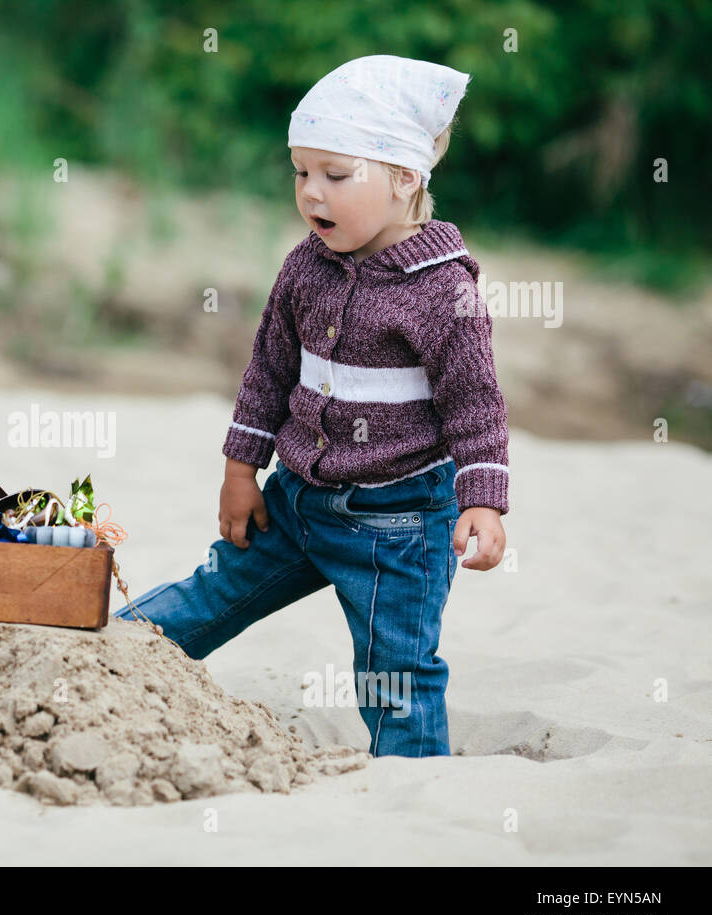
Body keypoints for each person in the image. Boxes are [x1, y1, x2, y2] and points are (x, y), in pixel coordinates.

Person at [113, 55, 509, 759]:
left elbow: (475, 405)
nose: (311, 192)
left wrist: (482, 500)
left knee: (395, 670)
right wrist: (241, 470)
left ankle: (413, 781)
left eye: (335, 174)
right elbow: (268, 373)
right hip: (295, 504)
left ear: (404, 177)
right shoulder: (306, 267)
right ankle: (99, 657)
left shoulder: (443, 290)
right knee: (210, 594)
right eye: (300, 172)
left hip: (398, 527)